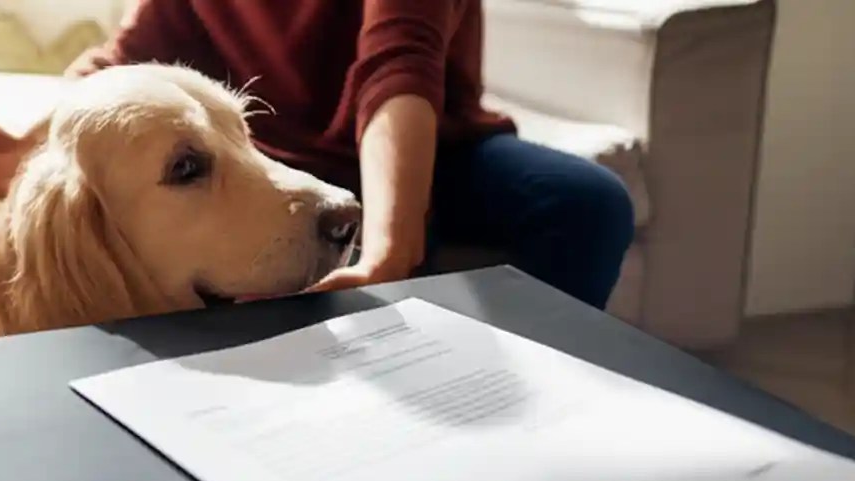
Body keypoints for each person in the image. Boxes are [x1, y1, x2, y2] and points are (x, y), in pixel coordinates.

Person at [65, 0, 635, 309]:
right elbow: (119, 64)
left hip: (435, 141)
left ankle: (540, 395)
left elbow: (397, 70)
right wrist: (31, 143)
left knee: (590, 203)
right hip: (281, 156)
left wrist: (389, 253)